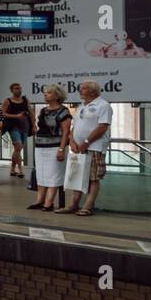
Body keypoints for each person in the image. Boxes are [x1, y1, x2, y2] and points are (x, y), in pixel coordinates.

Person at [59, 80, 111, 217]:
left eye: (84, 88)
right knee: (77, 175)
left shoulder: (103, 105)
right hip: (78, 147)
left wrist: (86, 142)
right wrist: (72, 140)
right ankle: (73, 205)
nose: (80, 90)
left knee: (93, 178)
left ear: (93, 91)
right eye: (80, 88)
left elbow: (102, 127)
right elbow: (74, 126)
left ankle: (87, 206)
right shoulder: (81, 106)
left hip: (94, 147)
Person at [28, 84, 71, 212]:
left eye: (49, 93)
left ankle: (49, 202)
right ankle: (39, 200)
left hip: (55, 146)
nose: (45, 95)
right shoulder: (43, 110)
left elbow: (66, 131)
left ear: (57, 96)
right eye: (45, 92)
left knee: (54, 173)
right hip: (41, 146)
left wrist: (61, 149)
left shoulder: (64, 111)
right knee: (41, 173)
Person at [1, 83, 31, 178]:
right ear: (12, 90)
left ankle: (12, 168)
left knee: (18, 149)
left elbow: (31, 112)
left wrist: (34, 125)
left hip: (25, 126)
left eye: (20, 88)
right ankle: (20, 169)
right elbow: (2, 114)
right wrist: (16, 116)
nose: (19, 90)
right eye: (16, 88)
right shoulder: (7, 101)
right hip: (13, 126)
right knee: (18, 147)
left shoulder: (25, 100)